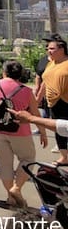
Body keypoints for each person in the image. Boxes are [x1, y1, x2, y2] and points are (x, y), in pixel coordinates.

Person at [0, 59, 46, 208]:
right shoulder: (27, 91)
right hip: (20, 130)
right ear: (20, 74)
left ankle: (10, 197)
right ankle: (16, 188)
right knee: (28, 158)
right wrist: (43, 132)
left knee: (4, 164)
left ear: (4, 72)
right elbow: (35, 114)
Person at [42, 34, 68, 165]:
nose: (49, 51)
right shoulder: (50, 64)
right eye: (48, 49)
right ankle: (65, 157)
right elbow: (45, 81)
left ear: (62, 49)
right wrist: (37, 97)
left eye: (52, 48)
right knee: (59, 129)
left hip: (66, 101)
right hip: (53, 102)